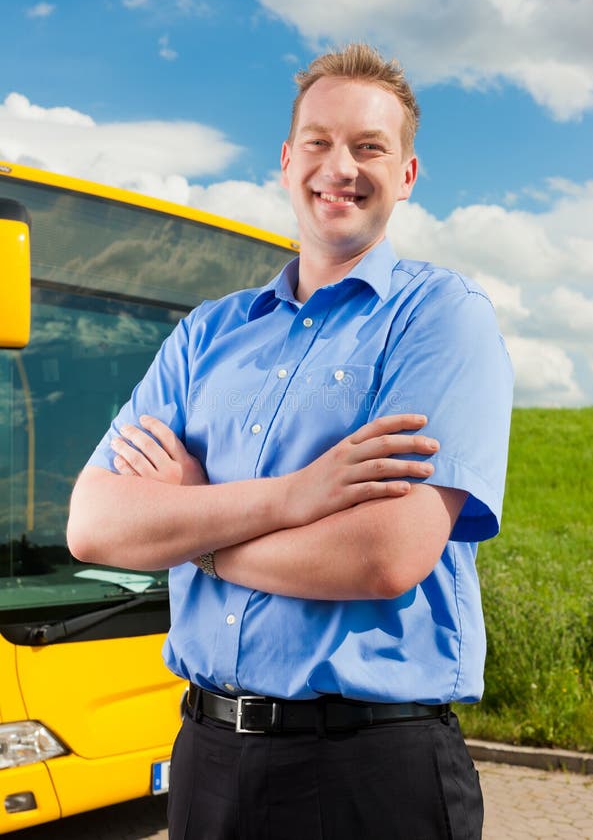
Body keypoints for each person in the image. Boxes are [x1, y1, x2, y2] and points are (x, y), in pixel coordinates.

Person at [68, 43, 513, 839]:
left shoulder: (441, 319)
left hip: (371, 772)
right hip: (206, 761)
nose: (338, 166)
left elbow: (383, 556)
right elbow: (95, 525)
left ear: (406, 174)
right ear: (286, 159)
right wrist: (294, 497)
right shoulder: (208, 333)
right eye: (318, 141)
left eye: (369, 146)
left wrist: (194, 534)